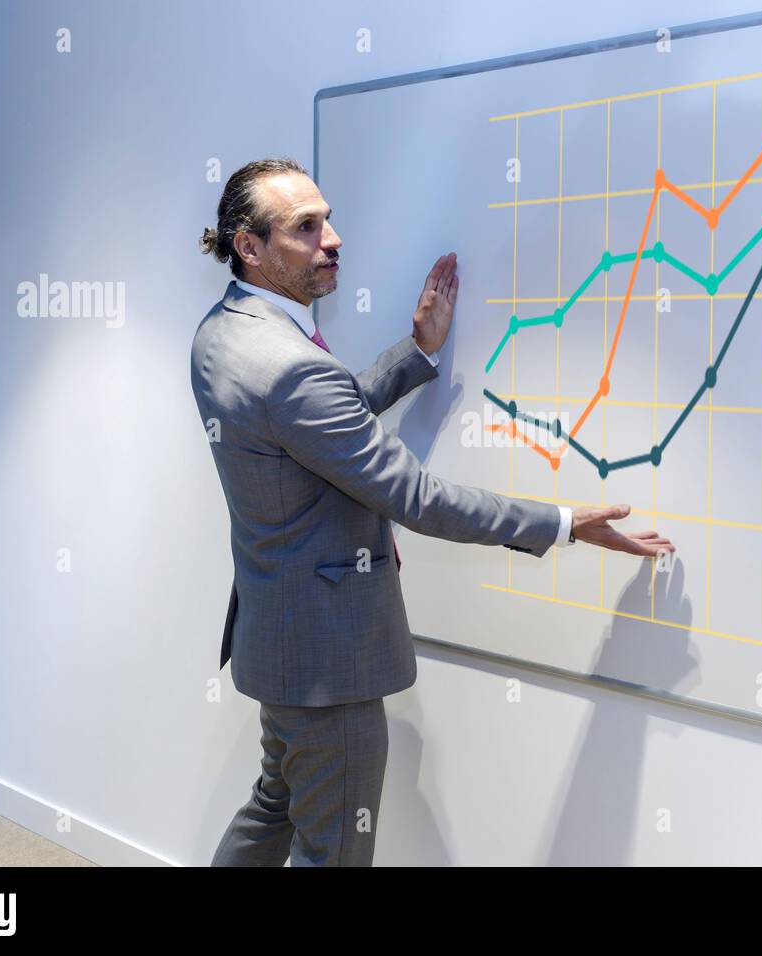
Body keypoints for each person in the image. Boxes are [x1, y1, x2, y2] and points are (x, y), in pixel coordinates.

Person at [190, 157, 674, 866]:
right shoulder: (290, 366)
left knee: (276, 803)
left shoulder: (222, 334)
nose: (334, 238)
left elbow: (312, 424)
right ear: (249, 246)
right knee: (335, 851)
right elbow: (415, 496)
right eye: (307, 226)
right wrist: (565, 522)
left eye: (327, 217)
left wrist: (416, 352)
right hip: (329, 658)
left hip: (279, 635)